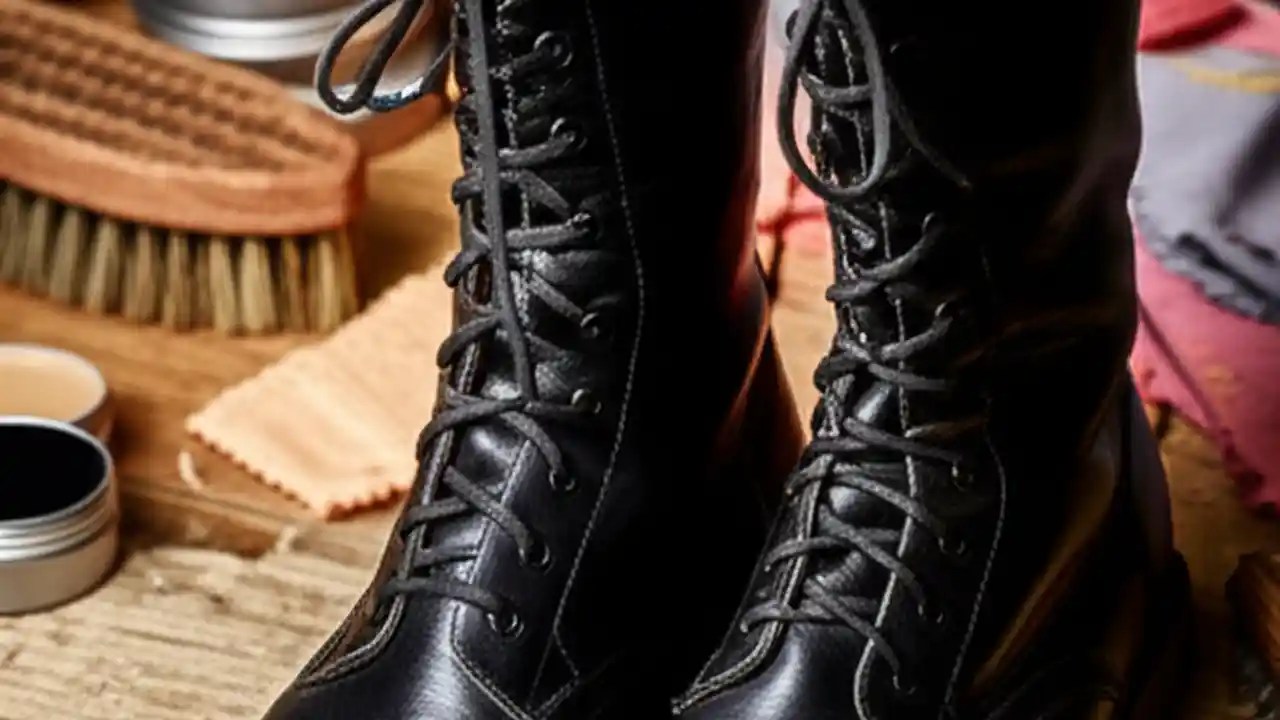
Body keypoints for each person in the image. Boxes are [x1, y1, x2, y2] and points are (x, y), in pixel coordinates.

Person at [264, 0, 1190, 717]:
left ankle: (1034, 509)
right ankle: (659, 462)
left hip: (1014, 473)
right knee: (567, 302)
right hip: (667, 449)